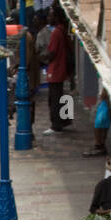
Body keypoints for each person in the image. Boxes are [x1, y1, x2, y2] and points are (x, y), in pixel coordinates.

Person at [43, 7, 71, 135]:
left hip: (56, 70)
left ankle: (56, 125)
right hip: (62, 69)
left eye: (51, 16)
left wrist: (43, 57)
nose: (48, 18)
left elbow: (52, 52)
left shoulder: (56, 33)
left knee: (54, 99)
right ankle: (63, 121)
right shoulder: (62, 31)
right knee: (60, 97)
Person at [85, 87, 111, 157]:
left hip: (108, 95)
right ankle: (100, 145)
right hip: (103, 95)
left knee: (102, 120)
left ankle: (100, 145)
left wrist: (105, 90)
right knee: (100, 121)